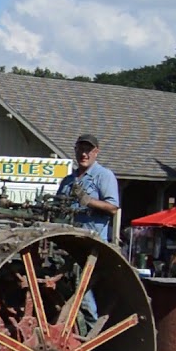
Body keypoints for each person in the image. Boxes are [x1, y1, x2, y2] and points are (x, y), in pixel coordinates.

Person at [56, 133, 119, 330]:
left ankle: (91, 336)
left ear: (96, 152)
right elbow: (57, 207)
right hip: (66, 243)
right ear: (75, 151)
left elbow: (113, 207)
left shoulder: (103, 176)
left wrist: (88, 201)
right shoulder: (68, 180)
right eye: (80, 150)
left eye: (88, 150)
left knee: (83, 294)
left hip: (92, 244)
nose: (84, 154)